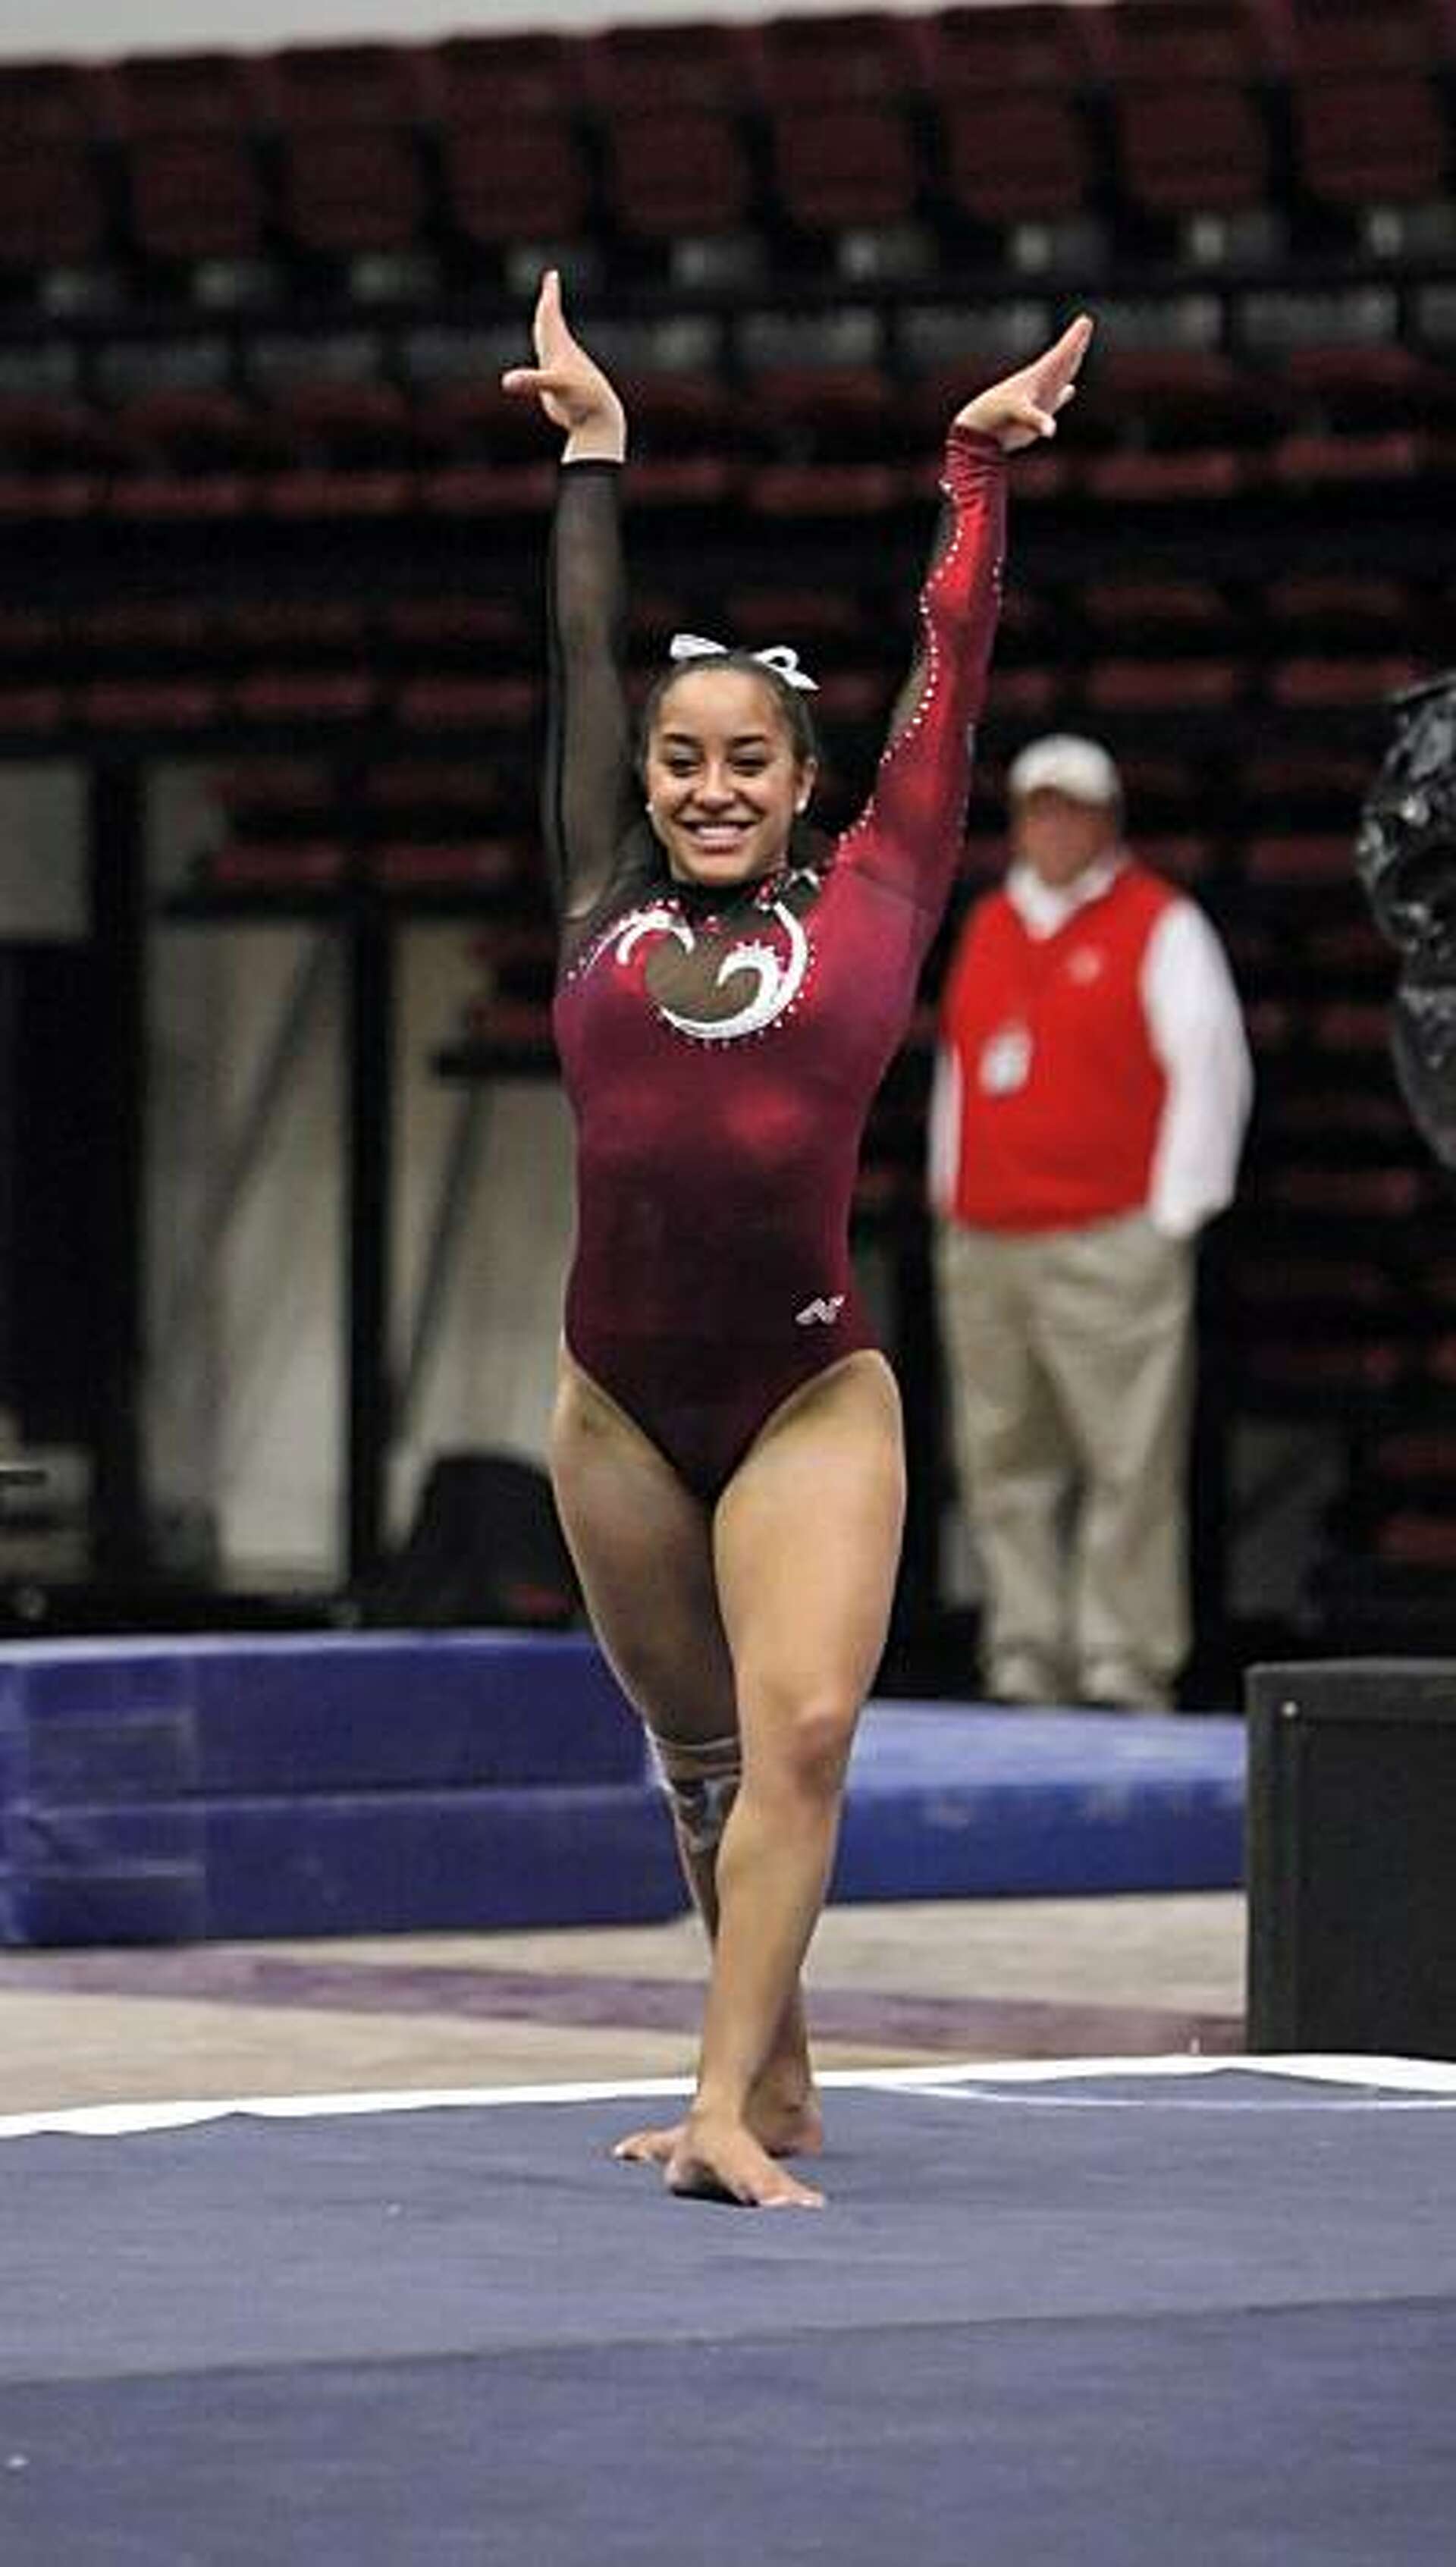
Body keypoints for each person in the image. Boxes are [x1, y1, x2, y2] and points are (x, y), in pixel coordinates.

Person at [503, 271, 1093, 2207]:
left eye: (746, 760)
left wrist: (974, 474)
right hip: (615, 1407)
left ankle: (719, 2106)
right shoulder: (595, 894)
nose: (708, 786)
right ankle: (786, 2076)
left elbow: (952, 672)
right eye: (682, 758)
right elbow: (581, 655)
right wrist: (594, 458)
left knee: (807, 1731)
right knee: (702, 1768)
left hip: (805, 1393)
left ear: (803, 780)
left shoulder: (880, 898)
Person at [930, 733, 1253, 1712]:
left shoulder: (1161, 923)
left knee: (1128, 1457)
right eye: (1039, 808)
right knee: (1002, 1460)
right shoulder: (990, 921)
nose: (1054, 827)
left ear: (1108, 820)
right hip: (989, 1235)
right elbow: (959, 1066)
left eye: (1072, 809)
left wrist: (1173, 1213)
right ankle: (1025, 1650)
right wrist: (951, 1188)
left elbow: (1212, 1068)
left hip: (1107, 1234)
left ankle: (1123, 1657)